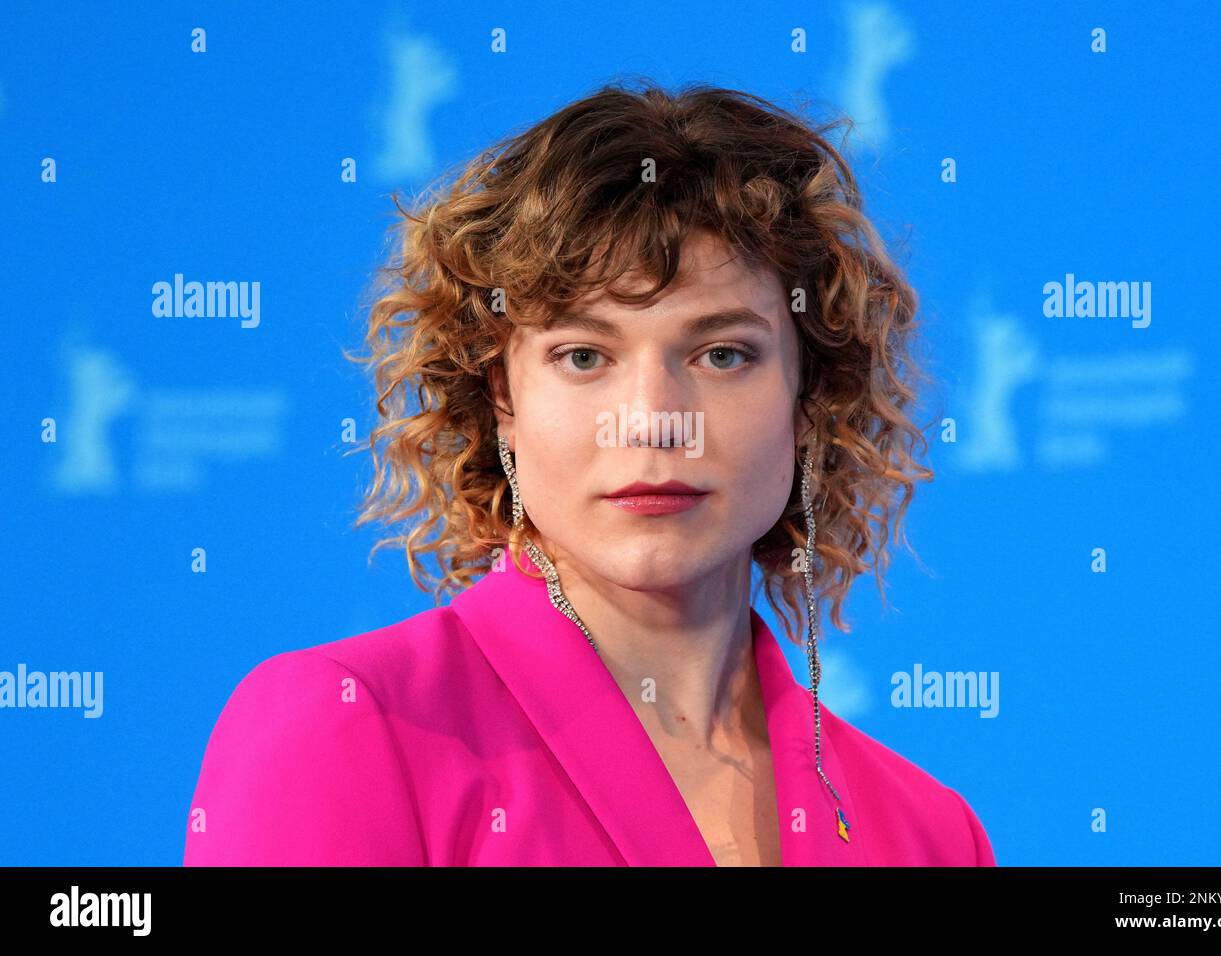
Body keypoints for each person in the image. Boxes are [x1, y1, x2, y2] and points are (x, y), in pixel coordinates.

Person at [183, 81, 996, 867]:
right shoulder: (346, 726)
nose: (650, 419)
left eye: (722, 354)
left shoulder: (929, 833)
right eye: (583, 356)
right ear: (501, 394)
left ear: (808, 396)